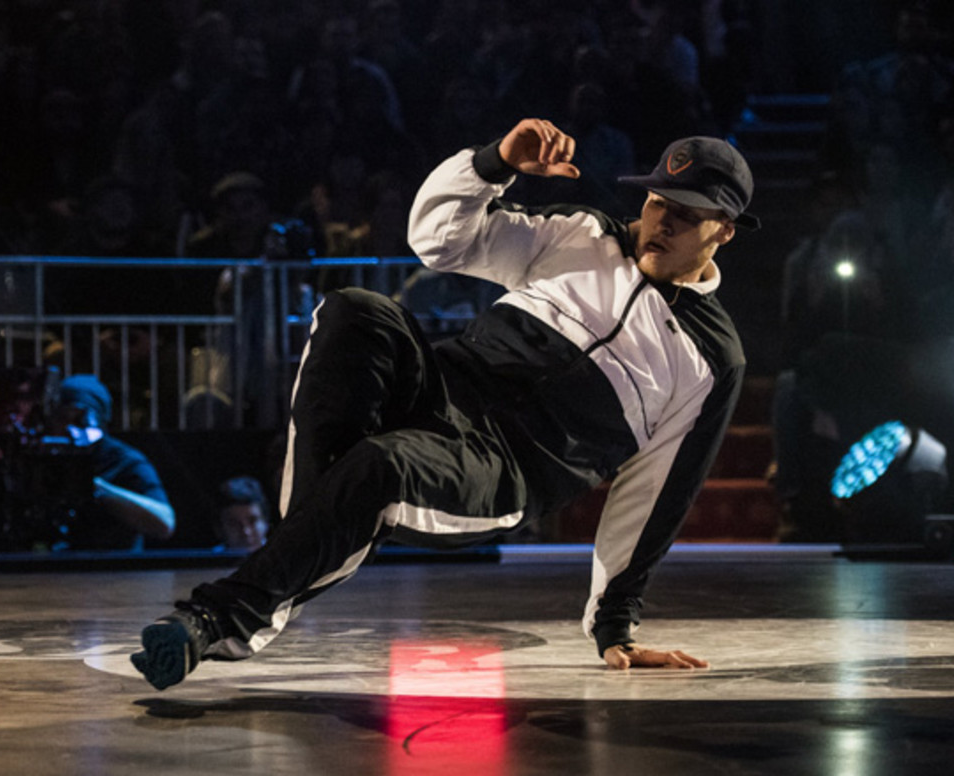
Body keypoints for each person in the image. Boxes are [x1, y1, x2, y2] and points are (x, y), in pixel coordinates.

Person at [131, 118, 758, 689]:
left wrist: (614, 625)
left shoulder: (710, 361)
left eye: (688, 213)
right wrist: (493, 165)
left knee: (383, 466)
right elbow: (436, 241)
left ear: (724, 231)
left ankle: (219, 617)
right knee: (356, 309)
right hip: (440, 384)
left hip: (503, 466)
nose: (663, 221)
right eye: (657, 202)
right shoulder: (581, 233)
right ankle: (297, 556)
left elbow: (655, 493)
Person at [41, 374, 175, 550]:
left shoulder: (124, 460)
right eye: (62, 419)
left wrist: (97, 489)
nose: (70, 430)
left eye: (80, 420)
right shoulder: (43, 458)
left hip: (116, 571)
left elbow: (165, 523)